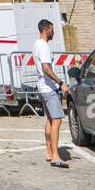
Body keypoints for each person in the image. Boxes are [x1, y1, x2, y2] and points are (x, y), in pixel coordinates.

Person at [33, 18, 68, 168]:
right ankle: (55, 156)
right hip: (49, 88)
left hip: (42, 87)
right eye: (52, 30)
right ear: (46, 29)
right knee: (57, 120)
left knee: (50, 119)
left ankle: (48, 152)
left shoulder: (36, 44)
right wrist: (61, 83)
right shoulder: (45, 47)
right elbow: (46, 68)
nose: (53, 32)